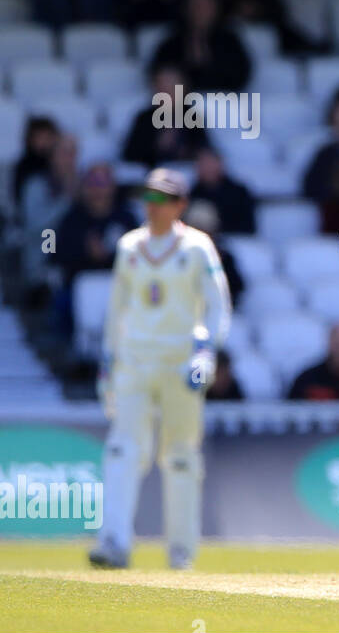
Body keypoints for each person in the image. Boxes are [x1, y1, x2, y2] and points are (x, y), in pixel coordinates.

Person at [90, 168, 233, 570]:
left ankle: (181, 552)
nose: (152, 207)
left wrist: (207, 351)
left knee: (181, 455)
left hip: (179, 361)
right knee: (122, 449)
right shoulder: (130, 246)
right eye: (147, 199)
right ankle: (114, 542)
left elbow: (218, 303)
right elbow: (117, 309)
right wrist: (107, 364)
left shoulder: (197, 247)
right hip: (135, 359)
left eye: (161, 199)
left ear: (179, 205)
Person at [149, 0, 252, 92]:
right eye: (197, 6)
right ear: (186, 9)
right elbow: (159, 74)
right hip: (181, 104)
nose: (201, 11)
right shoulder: (171, 42)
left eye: (206, 7)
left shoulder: (230, 41)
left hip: (223, 102)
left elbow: (240, 76)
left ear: (216, 9)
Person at [53, 163, 137, 288]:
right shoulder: (70, 219)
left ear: (113, 186)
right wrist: (83, 249)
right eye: (92, 182)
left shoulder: (126, 218)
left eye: (102, 182)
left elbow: (138, 258)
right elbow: (54, 255)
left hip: (120, 287)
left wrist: (109, 256)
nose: (97, 189)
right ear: (84, 187)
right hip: (78, 289)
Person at [20, 133, 80, 304]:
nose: (71, 159)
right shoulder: (36, 185)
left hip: (77, 264)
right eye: (65, 153)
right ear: (52, 157)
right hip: (43, 264)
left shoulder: (83, 184)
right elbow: (35, 227)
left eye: (74, 153)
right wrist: (66, 200)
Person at [121, 64, 211, 167]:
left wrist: (186, 152)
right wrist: (157, 147)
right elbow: (129, 156)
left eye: (171, 88)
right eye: (161, 87)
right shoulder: (144, 118)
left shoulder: (192, 116)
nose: (165, 92)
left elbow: (205, 150)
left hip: (187, 175)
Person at [183, 200, 245, 309]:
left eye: (206, 229)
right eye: (196, 229)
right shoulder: (175, 257)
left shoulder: (224, 258)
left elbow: (236, 289)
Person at [189, 146, 256, 235]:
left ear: (220, 164)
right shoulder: (192, 194)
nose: (207, 168)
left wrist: (217, 226)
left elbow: (248, 227)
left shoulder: (239, 193)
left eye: (211, 163)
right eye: (203, 163)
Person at [12, 116, 61, 207]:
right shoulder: (25, 166)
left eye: (48, 137)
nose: (44, 142)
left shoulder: (57, 163)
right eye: (39, 137)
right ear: (29, 140)